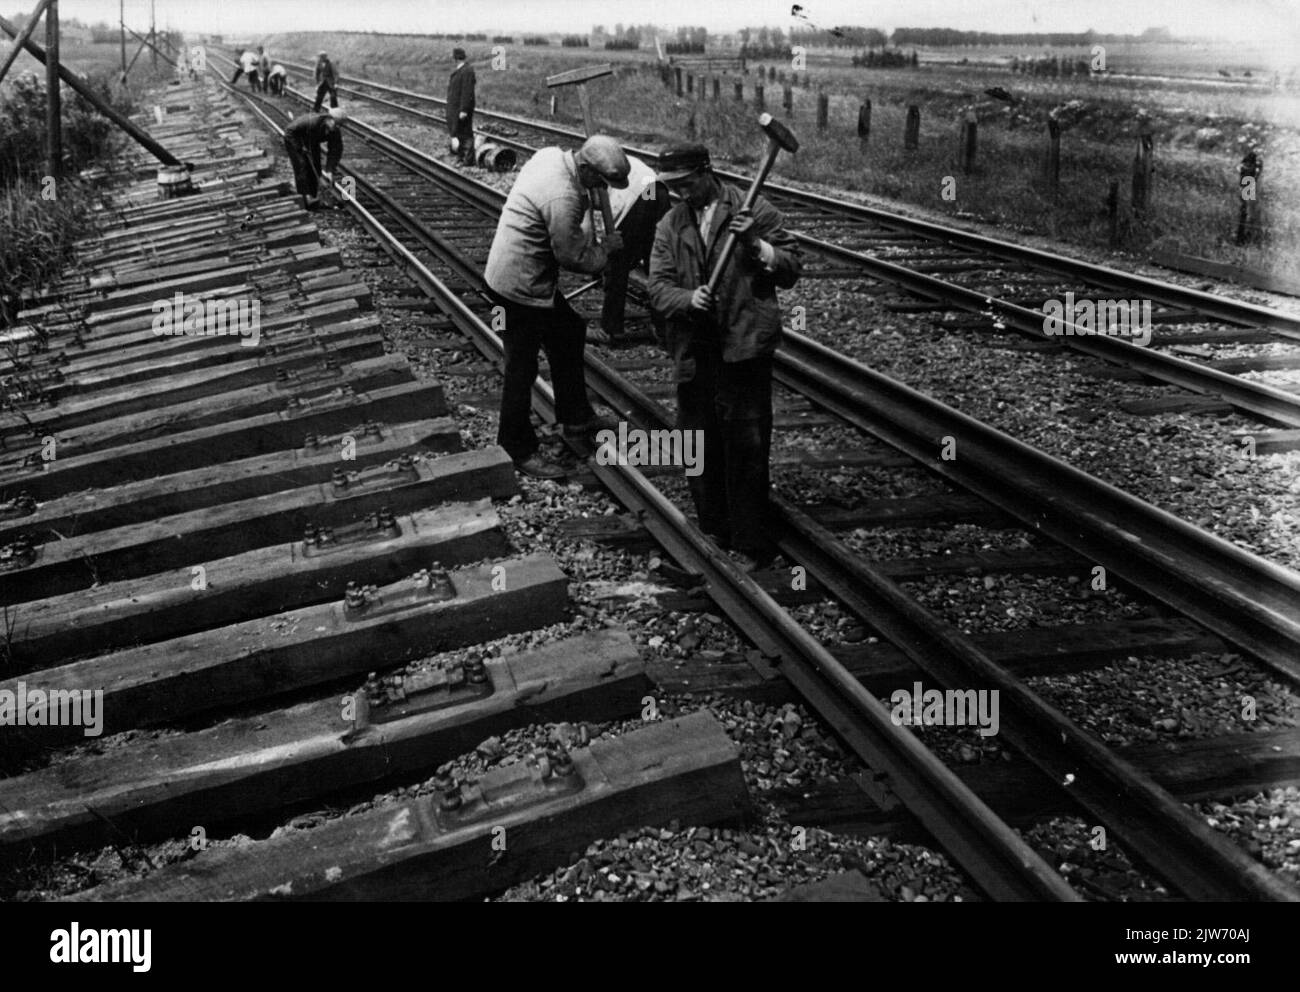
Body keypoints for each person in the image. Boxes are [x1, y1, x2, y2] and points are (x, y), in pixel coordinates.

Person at [646, 142, 802, 571]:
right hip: (696, 349)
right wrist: (686, 298)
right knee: (697, 443)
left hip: (744, 345)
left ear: (706, 172)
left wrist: (756, 245)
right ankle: (712, 529)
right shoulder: (669, 224)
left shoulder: (754, 208)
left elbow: (791, 268)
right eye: (671, 187)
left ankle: (752, 543)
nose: (680, 194)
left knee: (746, 445)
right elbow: (656, 288)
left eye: (686, 184)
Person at [483, 135, 629, 479]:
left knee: (569, 331)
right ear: (584, 168)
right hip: (519, 287)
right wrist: (606, 251)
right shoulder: (563, 197)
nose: (604, 189)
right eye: (601, 181)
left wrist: (589, 200)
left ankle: (576, 416)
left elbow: (572, 207)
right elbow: (573, 256)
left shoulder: (551, 156)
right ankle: (516, 447)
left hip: (522, 275)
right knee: (522, 367)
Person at [581, 154, 670, 340]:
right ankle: (662, 327)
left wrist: (599, 254)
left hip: (640, 197)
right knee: (656, 265)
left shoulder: (588, 175)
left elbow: (596, 219)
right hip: (655, 190)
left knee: (617, 264)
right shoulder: (614, 157)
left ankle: (611, 329)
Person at [283, 107, 347, 210]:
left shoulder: (335, 131)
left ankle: (313, 196)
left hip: (312, 143)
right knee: (302, 166)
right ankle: (305, 198)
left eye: (340, 126)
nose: (337, 128)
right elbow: (289, 131)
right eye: (336, 124)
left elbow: (335, 151)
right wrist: (299, 147)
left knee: (316, 166)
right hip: (295, 140)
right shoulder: (312, 121)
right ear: (329, 119)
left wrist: (329, 170)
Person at [446, 47, 476, 166]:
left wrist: (464, 109)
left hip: (461, 109)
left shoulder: (467, 71)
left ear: (456, 58)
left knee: (465, 134)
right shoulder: (461, 70)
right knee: (458, 133)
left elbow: (467, 92)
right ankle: (461, 157)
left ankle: (467, 160)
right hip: (456, 108)